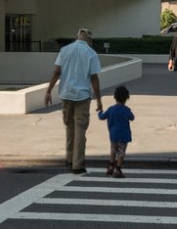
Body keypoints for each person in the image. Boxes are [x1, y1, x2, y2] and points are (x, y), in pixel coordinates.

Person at [45, 28, 104, 174]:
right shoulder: (91, 53)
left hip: (66, 94)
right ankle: (78, 164)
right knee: (80, 129)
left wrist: (48, 91)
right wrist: (98, 100)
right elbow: (94, 78)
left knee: (69, 127)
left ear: (77, 37)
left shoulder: (65, 50)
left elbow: (57, 72)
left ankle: (70, 158)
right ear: (89, 40)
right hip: (83, 96)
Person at [97, 85, 135, 178]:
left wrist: (100, 111)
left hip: (113, 134)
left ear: (114, 97)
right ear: (127, 98)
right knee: (121, 152)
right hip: (124, 135)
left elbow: (102, 117)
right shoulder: (126, 110)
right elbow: (132, 118)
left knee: (113, 150)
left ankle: (110, 166)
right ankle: (118, 169)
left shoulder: (111, 109)